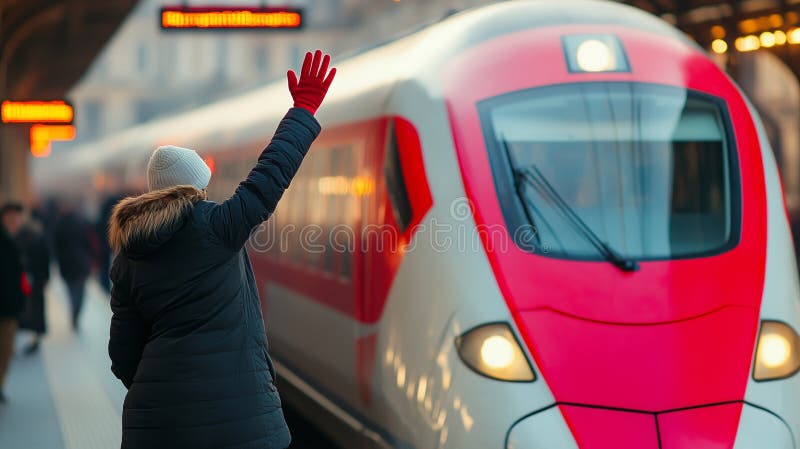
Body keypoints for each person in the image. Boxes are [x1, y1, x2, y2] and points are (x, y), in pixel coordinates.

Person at [107, 50, 335, 449]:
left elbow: (122, 354)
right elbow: (268, 178)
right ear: (195, 189)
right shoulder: (215, 227)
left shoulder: (128, 255)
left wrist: (161, 389)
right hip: (239, 425)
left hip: (157, 427)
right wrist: (302, 110)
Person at [0, 202, 27, 402]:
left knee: (6, 350)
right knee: (5, 348)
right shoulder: (5, 241)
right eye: (14, 217)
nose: (17, 221)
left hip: (10, 306)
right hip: (5, 307)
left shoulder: (11, 240)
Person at [54, 201, 93, 331]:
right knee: (80, 292)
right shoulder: (81, 222)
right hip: (81, 262)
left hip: (66, 264)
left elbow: (56, 247)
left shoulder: (59, 224)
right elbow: (88, 243)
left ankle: (74, 311)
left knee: (71, 292)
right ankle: (76, 312)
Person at [17, 211, 52, 354]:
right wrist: (46, 277)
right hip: (37, 280)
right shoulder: (39, 237)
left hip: (23, 279)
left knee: (24, 308)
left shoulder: (18, 238)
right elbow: (45, 258)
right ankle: (36, 337)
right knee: (37, 309)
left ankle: (23, 334)